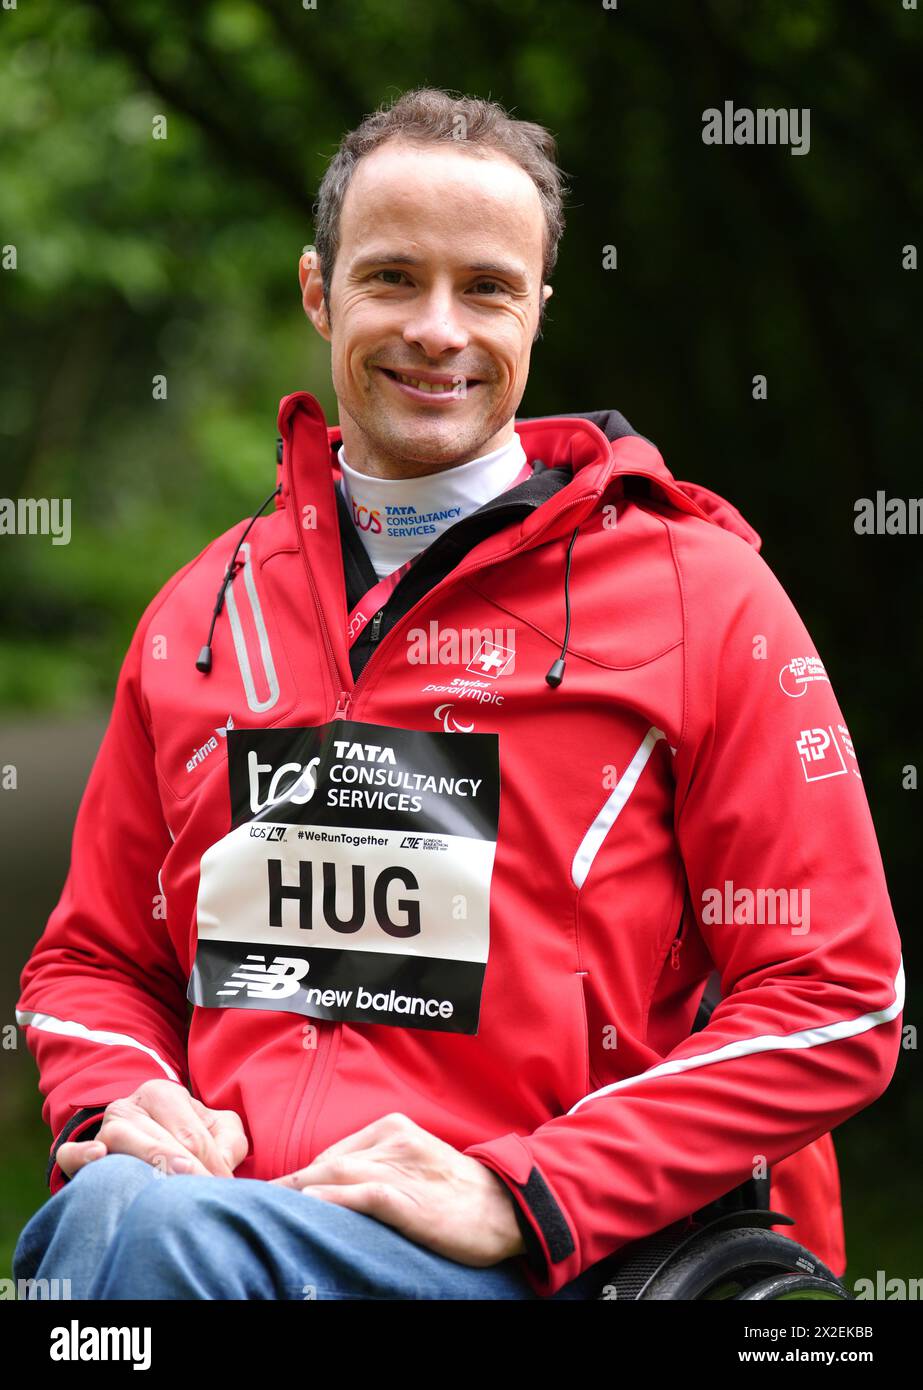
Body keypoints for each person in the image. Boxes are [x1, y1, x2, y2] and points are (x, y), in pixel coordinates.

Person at [14, 87, 903, 1301]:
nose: (437, 328)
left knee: (127, 1243)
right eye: (390, 278)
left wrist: (530, 1188)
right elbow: (94, 962)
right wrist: (128, 1102)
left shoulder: (706, 594)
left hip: (554, 1264)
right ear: (318, 292)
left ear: (539, 308)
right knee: (127, 1217)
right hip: (216, 1233)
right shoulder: (199, 609)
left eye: (484, 287)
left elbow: (835, 995)